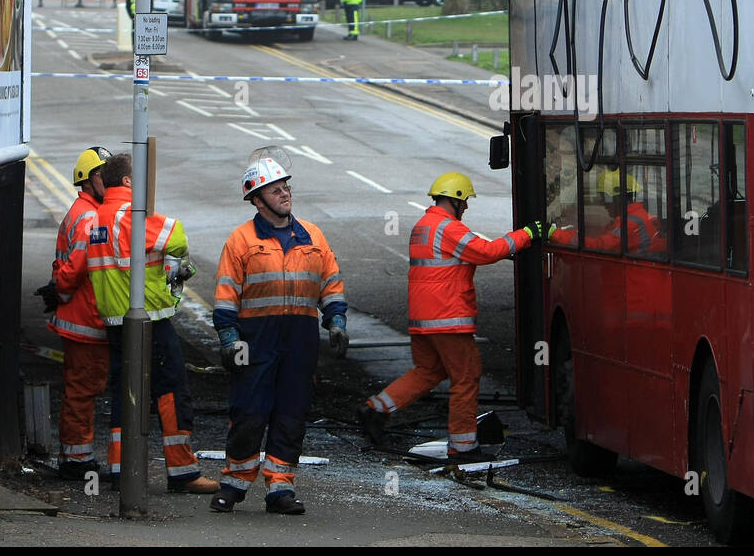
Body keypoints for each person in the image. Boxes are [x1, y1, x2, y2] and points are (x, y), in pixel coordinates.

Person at [359, 172, 545, 462]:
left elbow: (452, 260)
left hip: (423, 320)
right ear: (456, 199)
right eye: (466, 201)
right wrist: (528, 234)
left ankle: (377, 408)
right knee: (466, 376)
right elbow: (487, 251)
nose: (467, 207)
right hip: (448, 318)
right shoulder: (449, 228)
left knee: (428, 372)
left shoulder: (423, 227)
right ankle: (463, 446)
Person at [210, 153, 349, 515]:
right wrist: (228, 337)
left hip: (300, 337)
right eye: (275, 189)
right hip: (255, 338)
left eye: (286, 186)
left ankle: (280, 487)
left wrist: (336, 320)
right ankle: (234, 484)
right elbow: (227, 293)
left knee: (292, 411)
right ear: (257, 200)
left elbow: (330, 283)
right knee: (249, 411)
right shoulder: (240, 240)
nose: (285, 192)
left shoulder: (313, 236)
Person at [85, 154, 218, 494]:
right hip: (150, 320)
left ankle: (119, 470)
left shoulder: (98, 217)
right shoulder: (130, 214)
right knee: (172, 391)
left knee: (125, 394)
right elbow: (176, 235)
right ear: (128, 182)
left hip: (116, 322)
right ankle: (183, 472)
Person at [43, 146, 112, 480]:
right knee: (83, 391)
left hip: (79, 318)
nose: (109, 180)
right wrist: (63, 291)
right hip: (85, 320)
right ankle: (77, 461)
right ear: (89, 179)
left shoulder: (83, 211)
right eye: (103, 174)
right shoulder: (90, 217)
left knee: (81, 390)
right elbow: (75, 269)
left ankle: (76, 455)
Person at [551, 168, 665, 255]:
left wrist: (554, 233)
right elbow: (603, 234)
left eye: (605, 197)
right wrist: (573, 232)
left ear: (619, 197)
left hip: (632, 282)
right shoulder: (639, 215)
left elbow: (598, 246)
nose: (603, 203)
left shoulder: (628, 224)